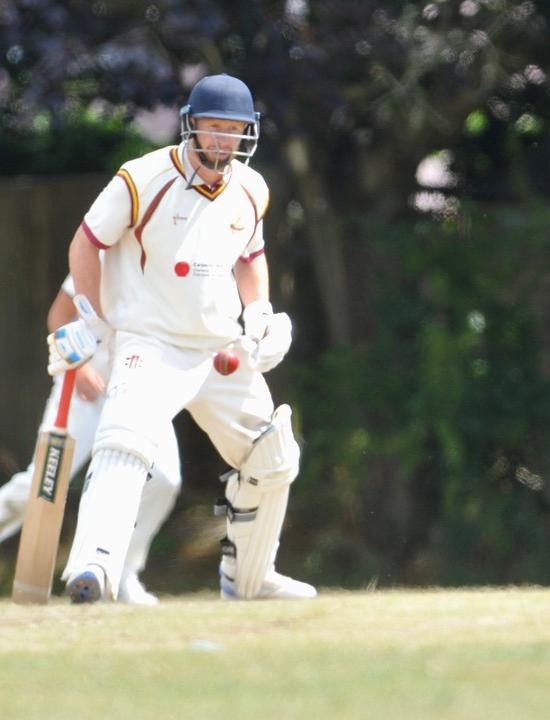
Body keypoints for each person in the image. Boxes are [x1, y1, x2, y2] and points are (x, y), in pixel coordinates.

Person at [46, 73, 316, 603]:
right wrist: (95, 319)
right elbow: (86, 244)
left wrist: (259, 314)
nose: (221, 141)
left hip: (218, 350)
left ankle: (251, 577)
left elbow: (251, 261)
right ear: (191, 128)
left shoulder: (251, 187)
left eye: (233, 131)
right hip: (151, 342)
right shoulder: (140, 178)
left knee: (274, 456)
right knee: (125, 441)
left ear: (247, 134)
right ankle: (94, 567)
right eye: (213, 129)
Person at [0, 279, 180, 605]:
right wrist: (80, 367)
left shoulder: (166, 255)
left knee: (165, 480)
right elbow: (59, 315)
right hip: (85, 390)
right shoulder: (104, 243)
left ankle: (120, 574)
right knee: (39, 487)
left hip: (137, 391)